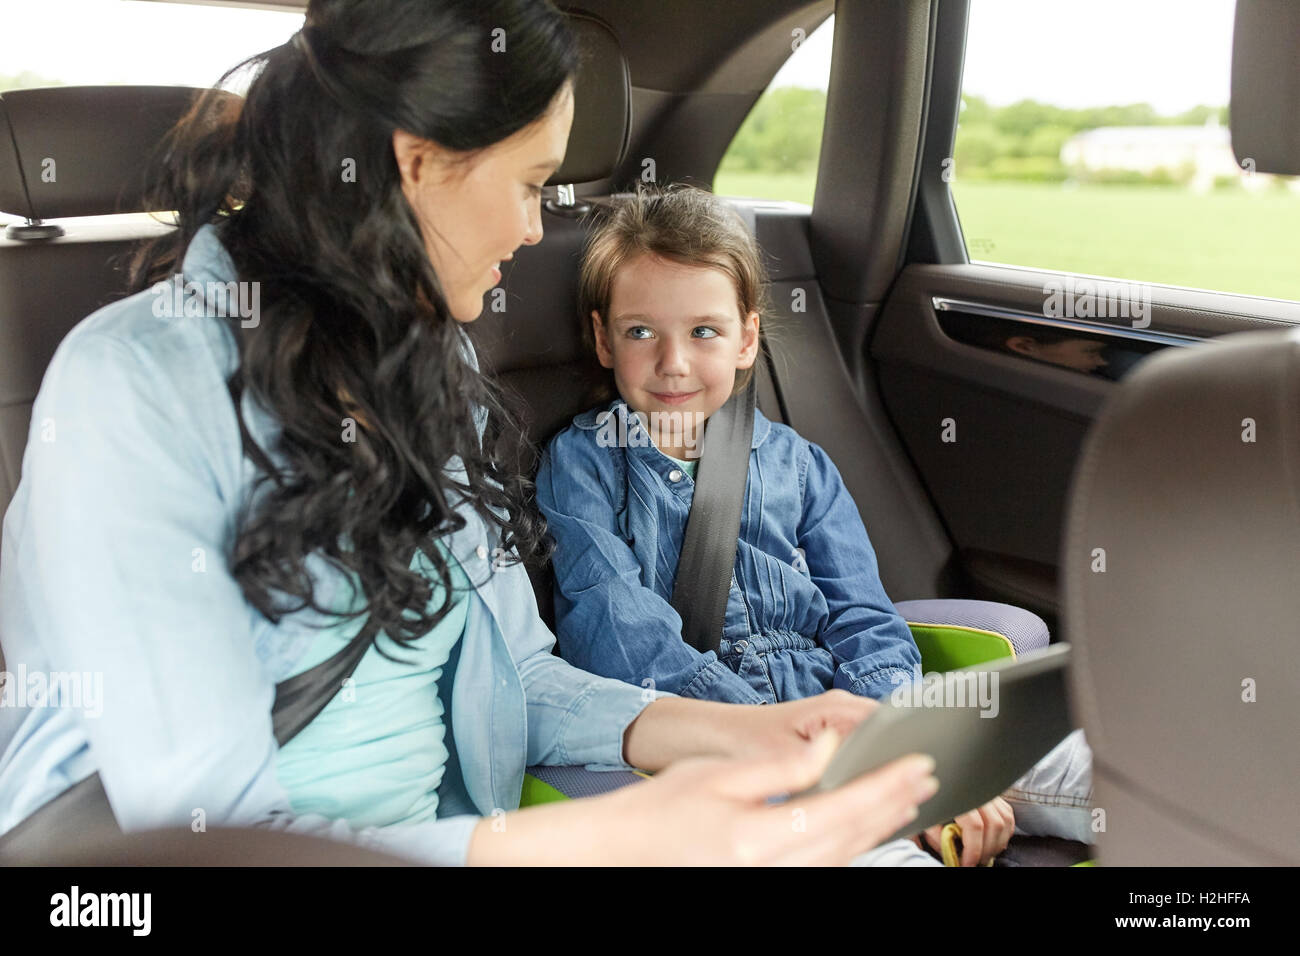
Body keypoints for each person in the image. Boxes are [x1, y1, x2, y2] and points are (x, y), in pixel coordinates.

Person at [0, 0, 941, 866]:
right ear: (419, 161)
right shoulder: (131, 387)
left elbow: (520, 675)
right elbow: (210, 837)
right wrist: (612, 839)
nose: (537, 230)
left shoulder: (422, 362)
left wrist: (751, 733)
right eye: (531, 182)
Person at [535, 182, 1096, 866]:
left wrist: (898, 744)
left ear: (747, 339)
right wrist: (791, 744)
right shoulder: (582, 464)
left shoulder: (798, 463)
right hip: (710, 744)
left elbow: (865, 617)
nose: (673, 361)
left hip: (853, 716)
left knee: (1106, 766)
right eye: (640, 332)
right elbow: (621, 639)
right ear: (602, 338)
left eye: (703, 331)